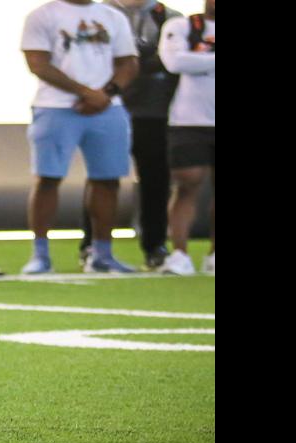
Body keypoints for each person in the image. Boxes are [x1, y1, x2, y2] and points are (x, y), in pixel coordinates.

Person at [19, 0, 138, 274]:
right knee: (48, 178)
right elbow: (38, 63)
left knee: (108, 180)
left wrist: (106, 93)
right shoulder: (42, 15)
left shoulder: (112, 16)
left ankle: (102, 253)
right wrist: (85, 91)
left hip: (108, 108)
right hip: (55, 106)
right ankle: (40, 254)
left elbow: (128, 62)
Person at [78, 0, 179, 271]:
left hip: (154, 113)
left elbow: (173, 65)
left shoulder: (169, 18)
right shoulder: (94, 14)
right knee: (102, 178)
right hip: (107, 109)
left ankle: (155, 246)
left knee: (156, 181)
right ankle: (92, 246)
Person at [158, 0, 213, 276]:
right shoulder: (181, 26)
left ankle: (213, 256)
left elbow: (191, 61)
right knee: (187, 183)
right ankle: (179, 253)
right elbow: (175, 61)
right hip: (189, 120)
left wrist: (201, 61)